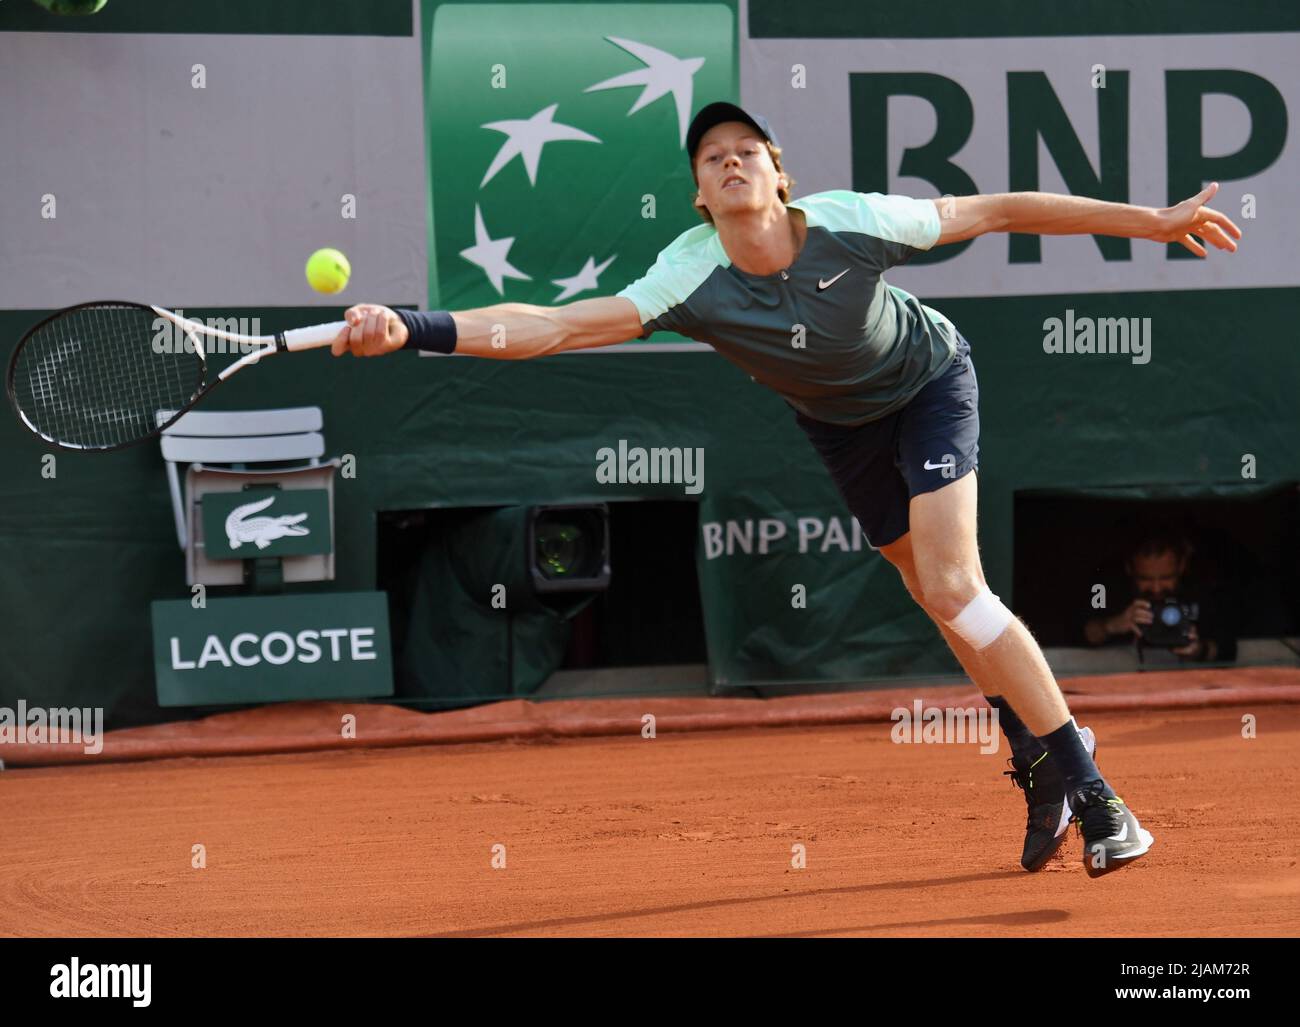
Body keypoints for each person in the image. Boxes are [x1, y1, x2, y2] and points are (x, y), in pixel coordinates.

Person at [332, 100, 1242, 877]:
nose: (729, 162)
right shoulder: (689, 271)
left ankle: (1097, 794)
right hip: (841, 428)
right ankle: (1033, 757)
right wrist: (415, 328)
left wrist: (1151, 223)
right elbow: (559, 325)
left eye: (746, 152)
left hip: (929, 384)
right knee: (934, 596)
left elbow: (1002, 209)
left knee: (957, 584)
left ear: (779, 175)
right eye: (711, 158)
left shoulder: (854, 220)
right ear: (699, 194)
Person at [1084, 527, 1239, 663]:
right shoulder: (1104, 589)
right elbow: (1083, 635)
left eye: (1166, 578)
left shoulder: (1202, 590)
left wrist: (1198, 650)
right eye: (1145, 579)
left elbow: (1228, 649)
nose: (1156, 588)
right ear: (1129, 568)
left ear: (1182, 565)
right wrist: (1112, 625)